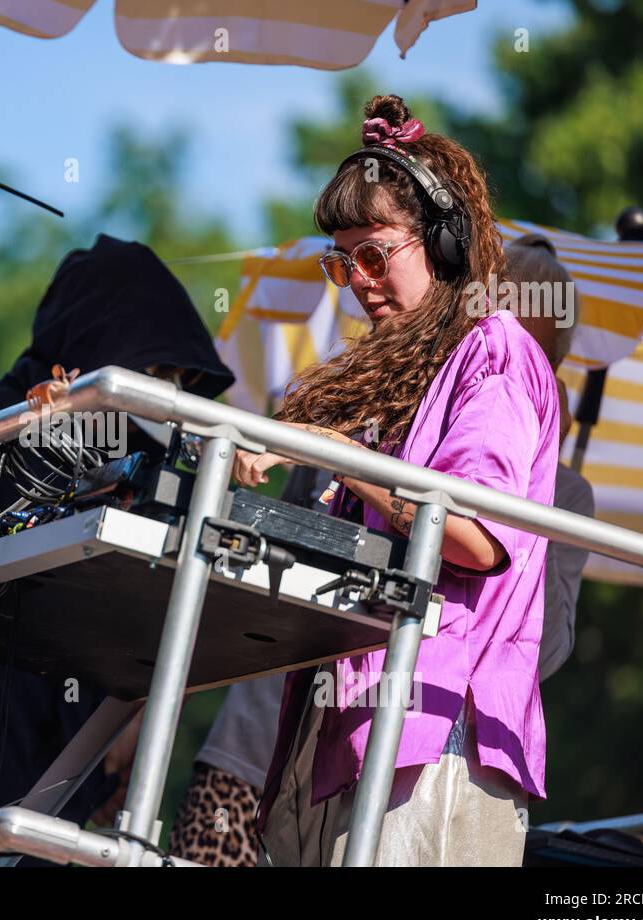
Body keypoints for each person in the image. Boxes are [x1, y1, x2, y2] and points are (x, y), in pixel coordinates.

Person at [233, 94, 559, 867]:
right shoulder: (407, 375)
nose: (357, 280)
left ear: (444, 245)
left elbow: (474, 537)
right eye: (341, 261)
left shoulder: (495, 348)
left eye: (375, 253)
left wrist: (325, 445)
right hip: (357, 735)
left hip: (442, 732)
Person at [0, 234, 236, 837]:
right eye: (155, 371)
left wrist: (137, 719)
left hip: (82, 718)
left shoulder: (151, 468)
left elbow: (166, 609)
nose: (168, 393)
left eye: (177, 378)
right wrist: (53, 436)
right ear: (98, 344)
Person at [503, 232, 595, 681]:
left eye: (526, 361)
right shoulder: (414, 428)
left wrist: (539, 476)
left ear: (552, 375)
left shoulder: (569, 495)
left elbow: (546, 654)